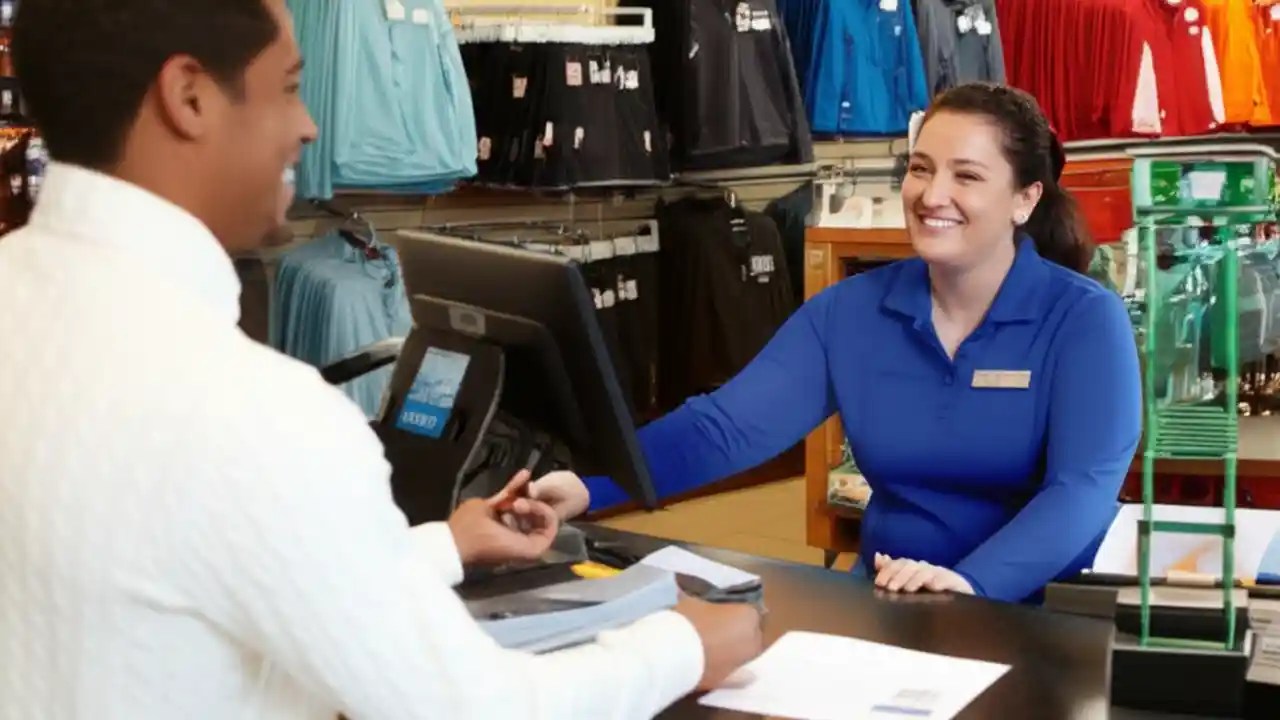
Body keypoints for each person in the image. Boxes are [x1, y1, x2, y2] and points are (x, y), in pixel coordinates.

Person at [0, 1, 762, 718]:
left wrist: (439, 547)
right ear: (189, 97)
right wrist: (682, 648)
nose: (306, 126)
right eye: (290, 88)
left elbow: (174, 568)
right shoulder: (253, 412)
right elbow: (469, 707)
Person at [531, 83, 1143, 604]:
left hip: (1036, 614)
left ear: (1025, 198)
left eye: (967, 176)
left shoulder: (1084, 320)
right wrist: (590, 486)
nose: (932, 196)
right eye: (921, 168)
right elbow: (726, 428)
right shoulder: (852, 311)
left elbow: (1082, 490)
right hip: (890, 600)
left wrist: (970, 586)